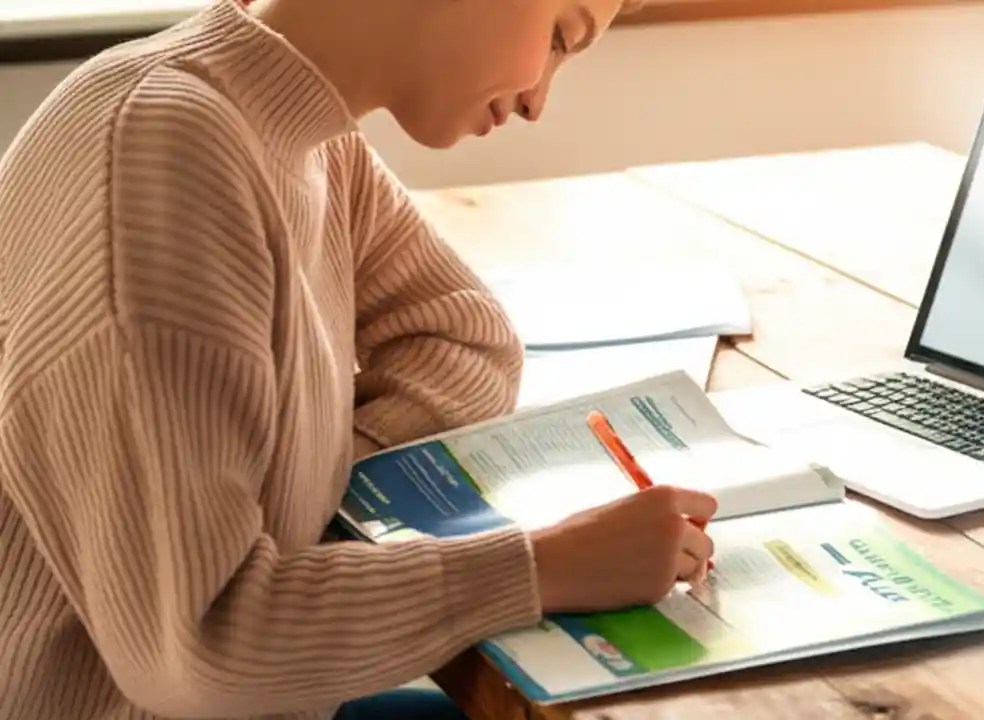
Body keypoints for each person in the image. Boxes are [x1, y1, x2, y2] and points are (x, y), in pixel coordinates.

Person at [0, 0, 718, 718]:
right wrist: (543, 566)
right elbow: (203, 650)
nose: (538, 100)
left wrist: (311, 484)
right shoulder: (170, 156)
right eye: (561, 37)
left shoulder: (298, 131)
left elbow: (466, 339)